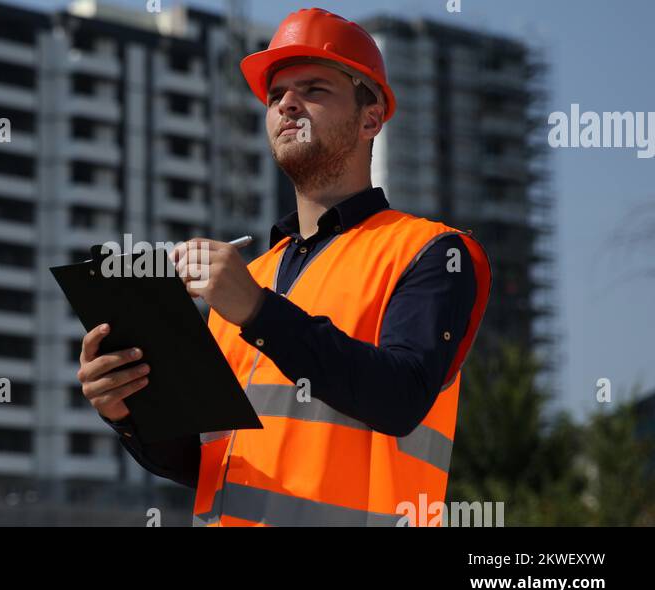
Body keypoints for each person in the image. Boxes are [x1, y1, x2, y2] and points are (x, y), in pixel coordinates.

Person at [76, 8, 492, 526]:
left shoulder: (433, 254)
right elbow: (210, 465)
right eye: (276, 96)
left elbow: (400, 400)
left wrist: (256, 310)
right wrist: (126, 410)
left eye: (314, 89)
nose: (287, 104)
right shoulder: (251, 278)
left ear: (371, 117)